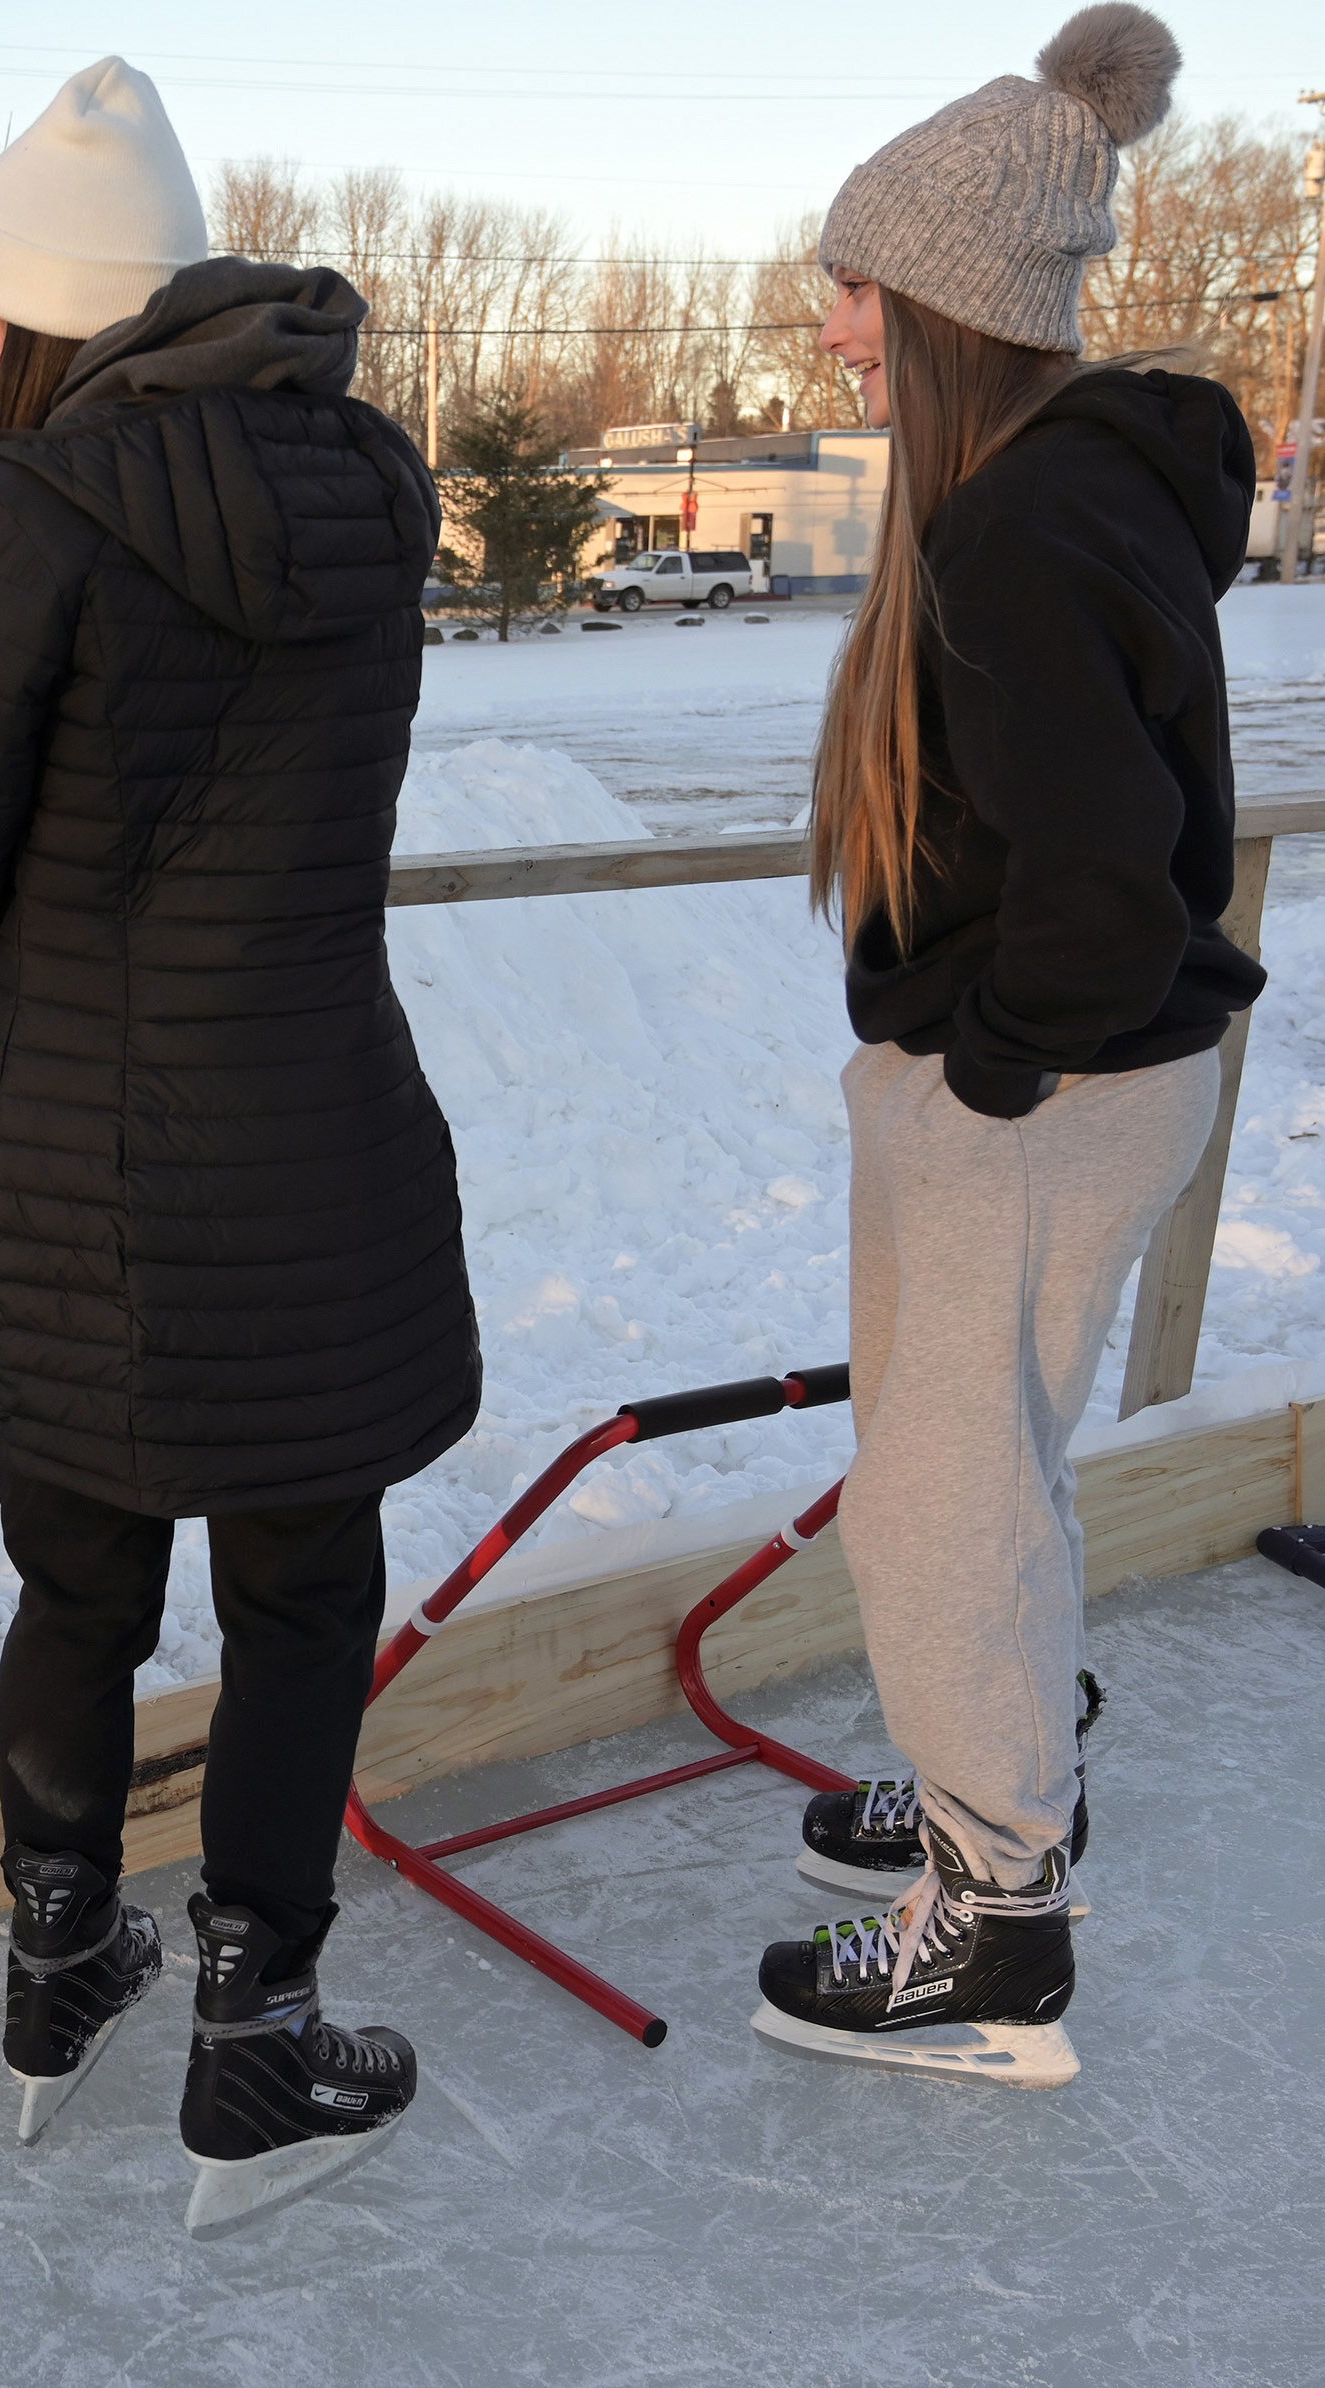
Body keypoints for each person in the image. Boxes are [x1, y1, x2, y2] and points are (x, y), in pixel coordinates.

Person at [0, 58, 479, 2225]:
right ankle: (255, 2018)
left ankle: (58, 1968)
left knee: (81, 1579)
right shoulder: (373, 486)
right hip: (313, 1131)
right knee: (303, 1592)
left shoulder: (30, 517)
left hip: (83, 1168)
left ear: (48, 317)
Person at [751, 3, 1257, 2090]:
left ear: (948, 302)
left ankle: (998, 1918)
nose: (841, 340)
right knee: (986, 1478)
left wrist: (988, 1067)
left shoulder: (1021, 528)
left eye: (858, 298)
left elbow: (1107, 869)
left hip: (1050, 1089)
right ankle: (996, 1772)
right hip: (1079, 1081)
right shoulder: (1056, 492)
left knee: (942, 1507)